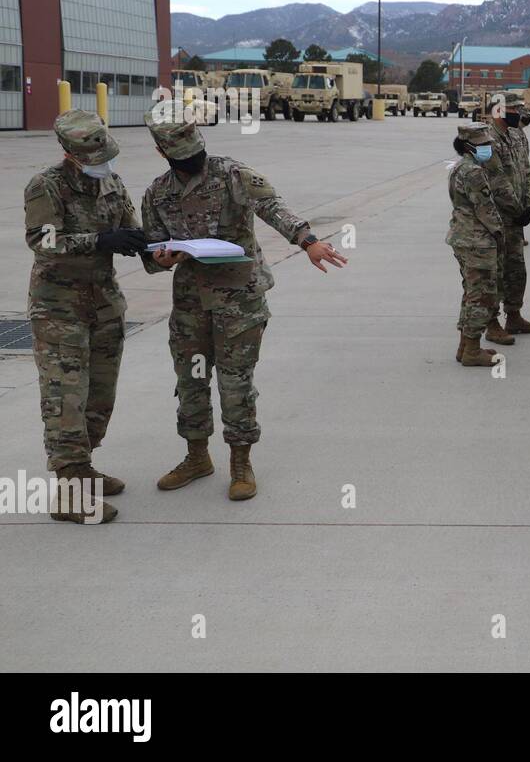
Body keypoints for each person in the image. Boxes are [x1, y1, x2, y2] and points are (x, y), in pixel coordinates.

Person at [140, 114, 347, 501]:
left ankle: (241, 462)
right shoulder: (156, 193)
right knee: (191, 383)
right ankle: (197, 457)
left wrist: (307, 240)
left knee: (236, 384)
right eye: (181, 157)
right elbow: (151, 251)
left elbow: (272, 206)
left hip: (239, 301)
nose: (191, 162)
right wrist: (163, 258)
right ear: (161, 152)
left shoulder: (232, 174)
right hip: (190, 305)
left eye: (195, 153)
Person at [24, 110, 148, 524]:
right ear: (69, 154)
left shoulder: (111, 181)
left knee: (99, 396)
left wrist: (154, 249)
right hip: (60, 307)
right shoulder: (46, 186)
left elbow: (131, 229)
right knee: (66, 400)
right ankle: (69, 491)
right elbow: (43, 240)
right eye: (93, 157)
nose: (103, 164)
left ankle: (82, 468)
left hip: (104, 302)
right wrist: (99, 239)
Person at [447, 123, 506, 367]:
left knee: (471, 292)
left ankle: (465, 346)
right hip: (477, 240)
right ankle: (472, 350)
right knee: (482, 295)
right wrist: (500, 233)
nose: (488, 148)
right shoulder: (473, 172)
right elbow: (486, 209)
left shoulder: (459, 167)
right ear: (469, 146)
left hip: (463, 237)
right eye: (483, 144)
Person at [486, 93, 530, 335]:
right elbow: (497, 182)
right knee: (494, 272)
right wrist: (518, 209)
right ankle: (491, 323)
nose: (520, 114)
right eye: (516, 109)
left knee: (516, 269)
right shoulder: (487, 140)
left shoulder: (517, 136)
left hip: (516, 218)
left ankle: (514, 315)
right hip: (496, 219)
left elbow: (526, 171)